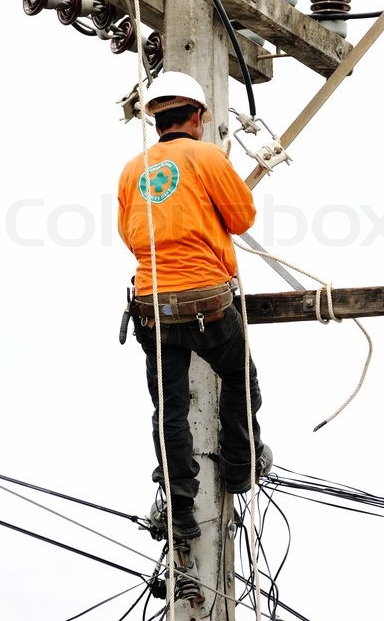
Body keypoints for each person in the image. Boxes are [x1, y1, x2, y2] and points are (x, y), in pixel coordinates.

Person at [117, 71, 272, 541]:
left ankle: (180, 510)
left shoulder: (132, 168)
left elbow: (130, 235)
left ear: (157, 119)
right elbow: (243, 218)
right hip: (207, 301)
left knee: (170, 408)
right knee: (240, 381)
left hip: (152, 307)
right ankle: (241, 466)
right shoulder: (207, 156)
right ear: (199, 117)